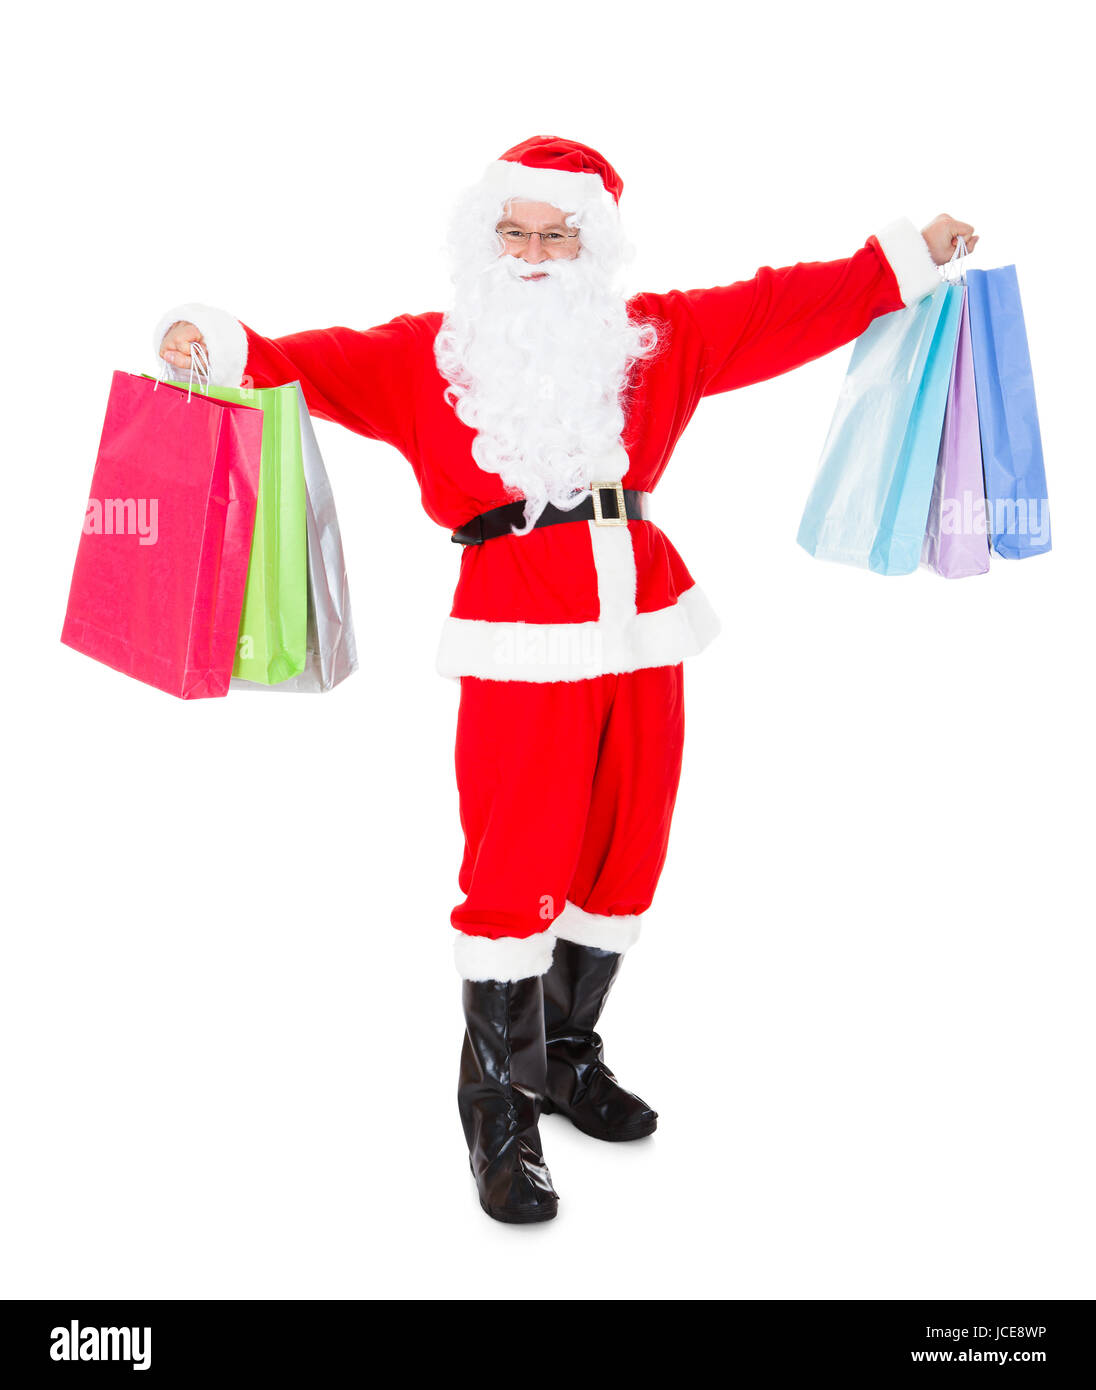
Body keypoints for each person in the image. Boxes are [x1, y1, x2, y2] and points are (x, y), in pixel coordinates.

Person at [156, 134, 977, 1225]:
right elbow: (289, 363)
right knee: (515, 858)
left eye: (558, 233)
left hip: (642, 621)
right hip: (516, 631)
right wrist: (204, 343)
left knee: (624, 844)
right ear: (485, 239)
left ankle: (566, 1057)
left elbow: (783, 305)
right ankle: (494, 1104)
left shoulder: (655, 339)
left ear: (593, 242)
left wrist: (902, 259)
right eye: (516, 232)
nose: (536, 252)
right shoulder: (424, 356)